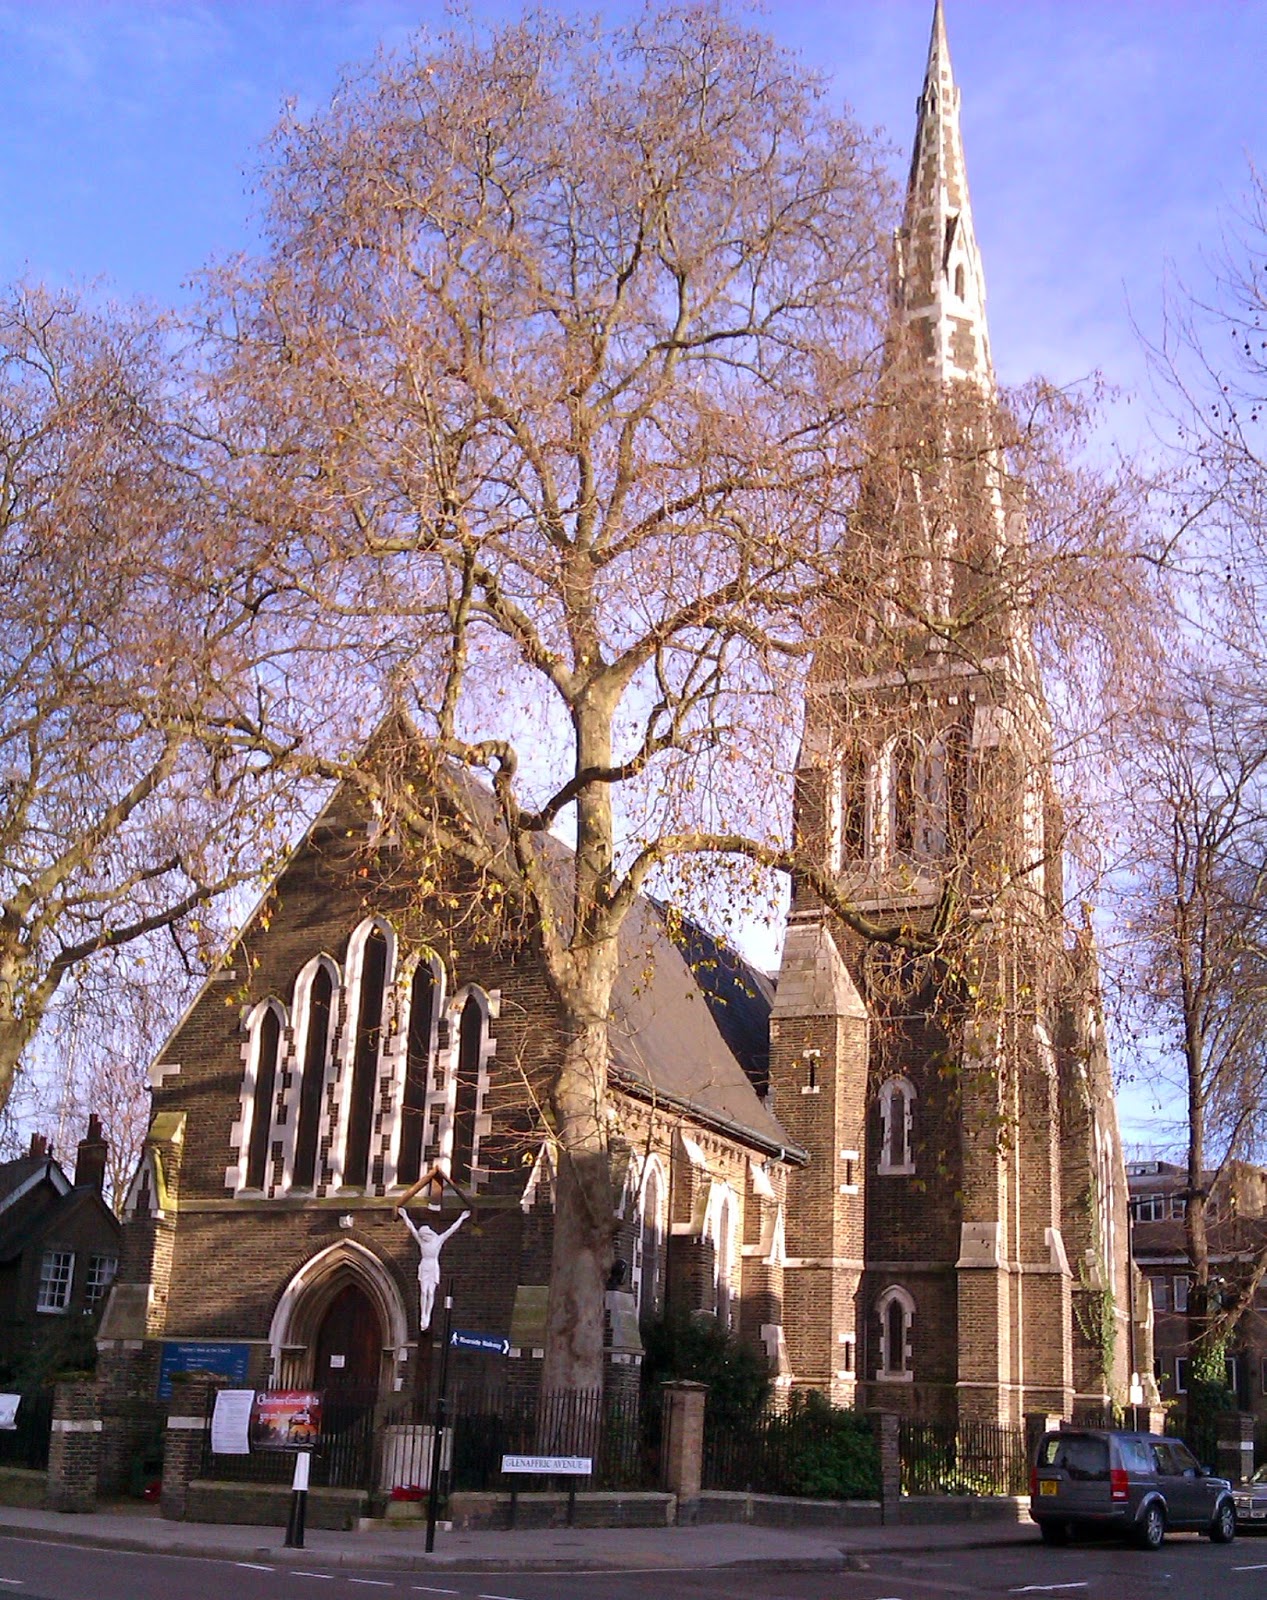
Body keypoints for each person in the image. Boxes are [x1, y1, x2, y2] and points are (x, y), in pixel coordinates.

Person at [398, 1206, 470, 1330]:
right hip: (424, 1265)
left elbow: (451, 1229)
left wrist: (462, 1218)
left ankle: (428, 1316)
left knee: (431, 1292)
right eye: (422, 1237)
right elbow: (411, 1228)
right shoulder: (422, 1242)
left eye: (424, 1236)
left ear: (428, 1234)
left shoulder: (438, 1240)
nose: (423, 1238)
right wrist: (405, 1216)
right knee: (423, 1292)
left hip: (433, 1266)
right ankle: (423, 1316)